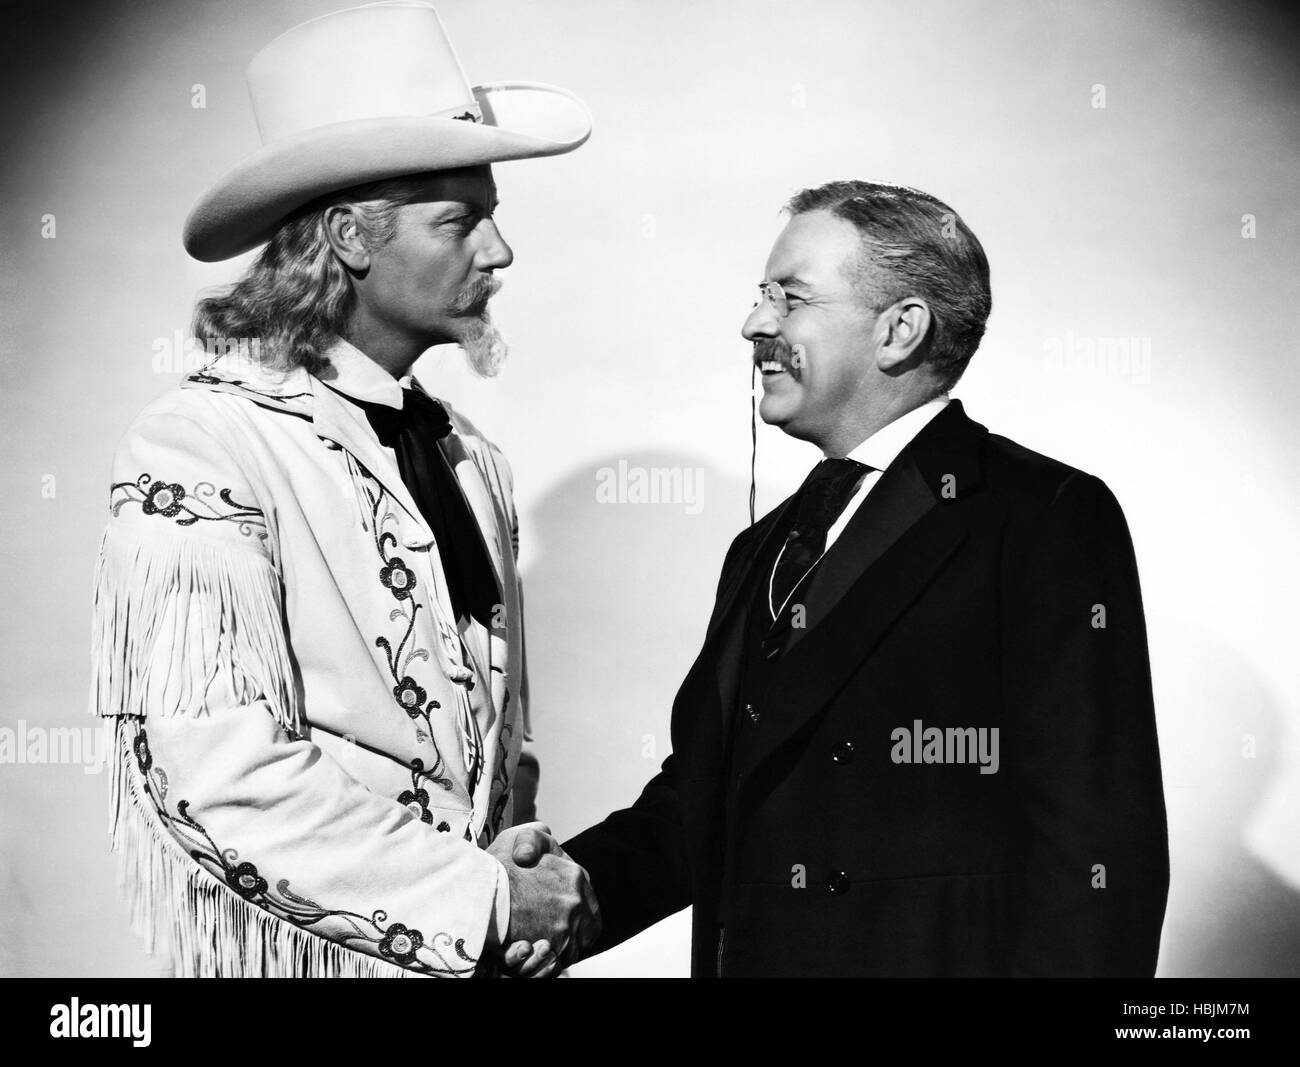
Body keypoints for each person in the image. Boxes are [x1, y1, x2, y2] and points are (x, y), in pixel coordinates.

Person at [517, 180, 1169, 977]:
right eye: (760, 297)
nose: (754, 323)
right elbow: (702, 805)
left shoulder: (1044, 516)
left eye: (787, 299)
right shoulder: (763, 546)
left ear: (899, 330)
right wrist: (560, 893)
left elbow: (1100, 855)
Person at [89, 2, 598, 978]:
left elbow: (498, 742)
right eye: (461, 219)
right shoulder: (199, 445)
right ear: (348, 236)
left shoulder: (465, 457)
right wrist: (487, 898)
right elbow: (214, 777)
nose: (499, 253)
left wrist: (521, 871)